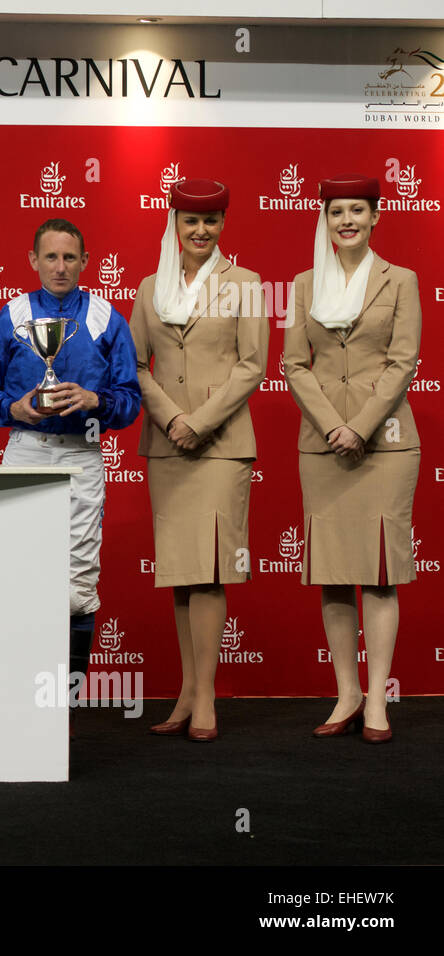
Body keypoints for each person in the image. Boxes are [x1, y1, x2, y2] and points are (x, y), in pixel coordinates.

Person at [0, 218, 140, 695]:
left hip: (81, 453)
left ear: (86, 262)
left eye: (70, 257)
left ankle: (62, 704)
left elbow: (129, 401)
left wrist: (97, 402)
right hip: (25, 452)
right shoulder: (13, 314)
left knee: (78, 582)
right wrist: (13, 408)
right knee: (12, 571)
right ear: (33, 261)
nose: (60, 267)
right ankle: (13, 694)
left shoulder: (108, 317)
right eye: (51, 257)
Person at [283, 174, 420, 744]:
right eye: (337, 211)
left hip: (384, 443)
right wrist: (333, 426)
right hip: (322, 443)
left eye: (357, 211)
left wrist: (359, 426)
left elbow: (403, 360)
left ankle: (379, 699)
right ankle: (347, 693)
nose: (347, 220)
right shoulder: (304, 283)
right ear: (326, 218)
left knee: (380, 576)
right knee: (335, 574)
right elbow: (294, 363)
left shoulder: (402, 279)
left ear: (375, 217)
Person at [129, 179, 267, 742]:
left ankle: (207, 694)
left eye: (212, 221)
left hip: (221, 443)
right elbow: (136, 365)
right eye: (191, 220)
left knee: (211, 570)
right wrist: (171, 418)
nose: (201, 231)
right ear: (174, 223)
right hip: (168, 445)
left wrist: (199, 421)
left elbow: (252, 365)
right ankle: (187, 691)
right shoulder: (147, 287)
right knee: (184, 575)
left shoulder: (248, 284)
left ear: (223, 224)